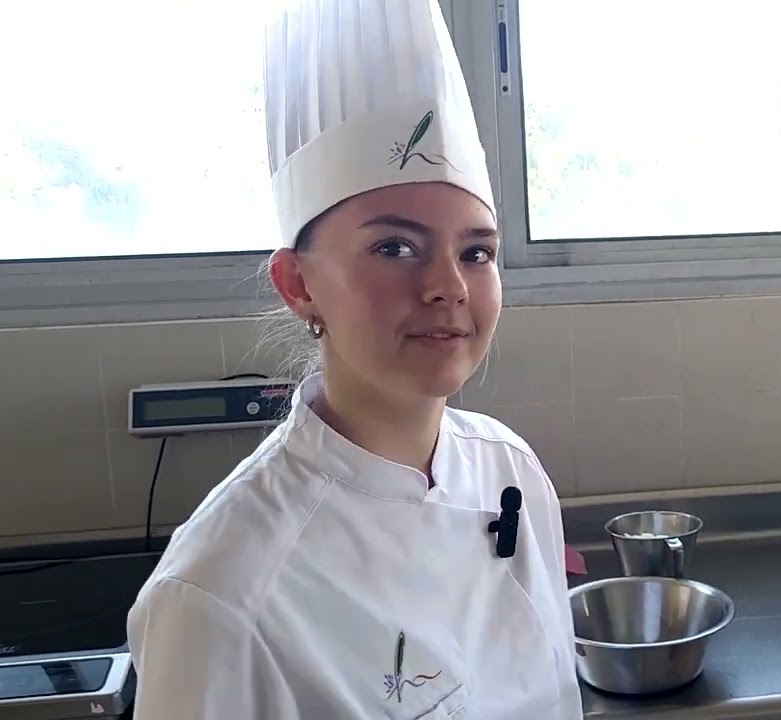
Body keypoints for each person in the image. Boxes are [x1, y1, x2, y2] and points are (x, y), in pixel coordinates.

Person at [125, 0, 583, 717]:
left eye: (477, 252)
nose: (448, 287)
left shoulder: (510, 470)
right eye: (394, 247)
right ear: (298, 284)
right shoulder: (218, 592)